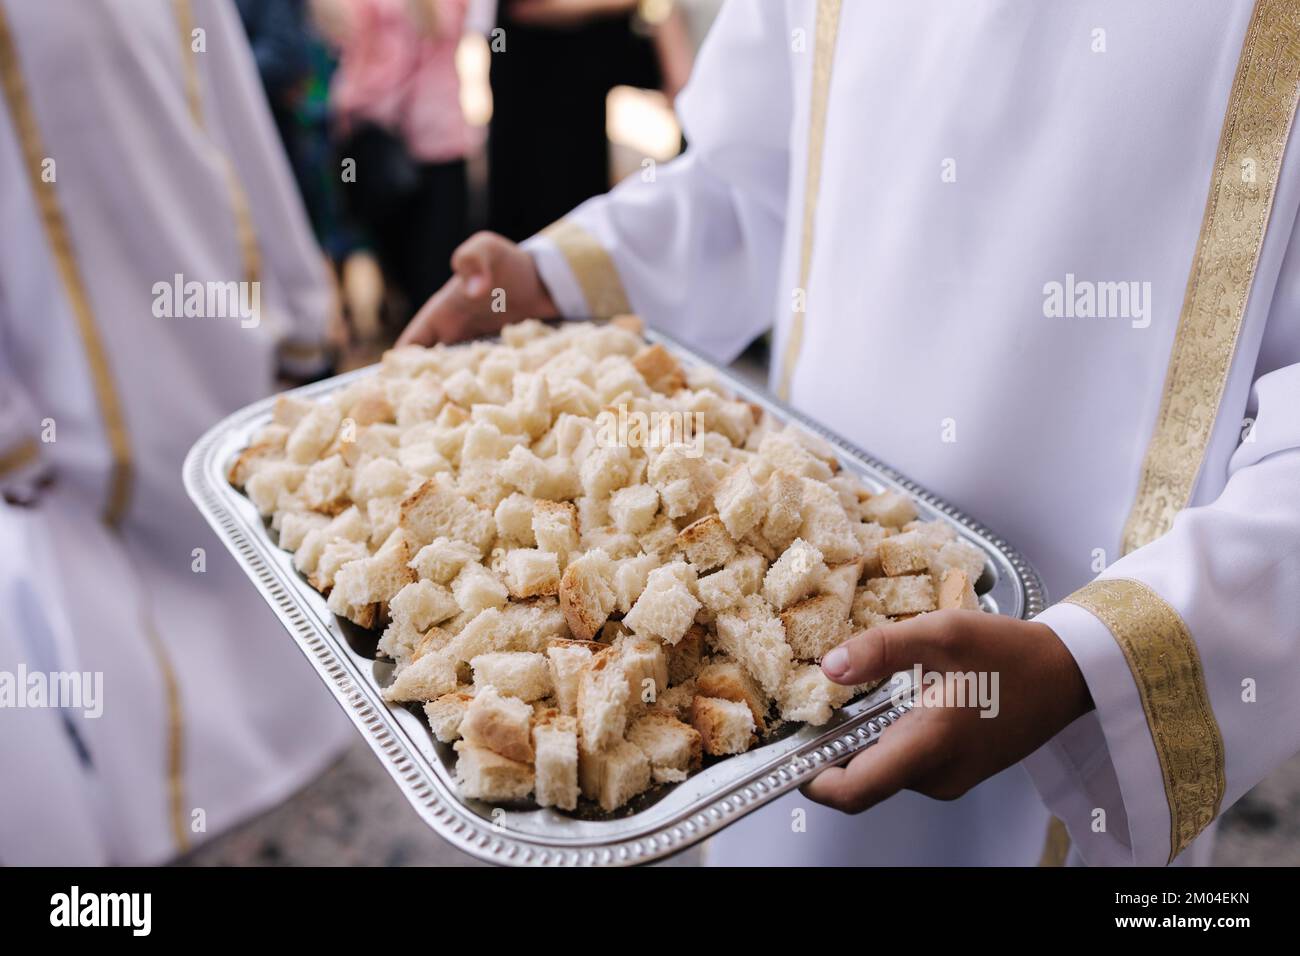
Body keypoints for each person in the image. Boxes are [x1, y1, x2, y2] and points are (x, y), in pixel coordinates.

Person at [399, 0, 1300, 866]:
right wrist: (558, 277)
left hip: (1087, 651)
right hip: (775, 622)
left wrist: (1093, 664)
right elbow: (749, 181)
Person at [0, 0, 351, 864]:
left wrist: (301, 302)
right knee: (108, 601)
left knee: (240, 522)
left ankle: (274, 742)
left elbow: (232, 106)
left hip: (207, 305)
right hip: (60, 361)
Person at [322, 0, 472, 324]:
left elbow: (443, 27)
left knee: (435, 278)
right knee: (402, 273)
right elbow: (343, 37)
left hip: (436, 143)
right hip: (385, 145)